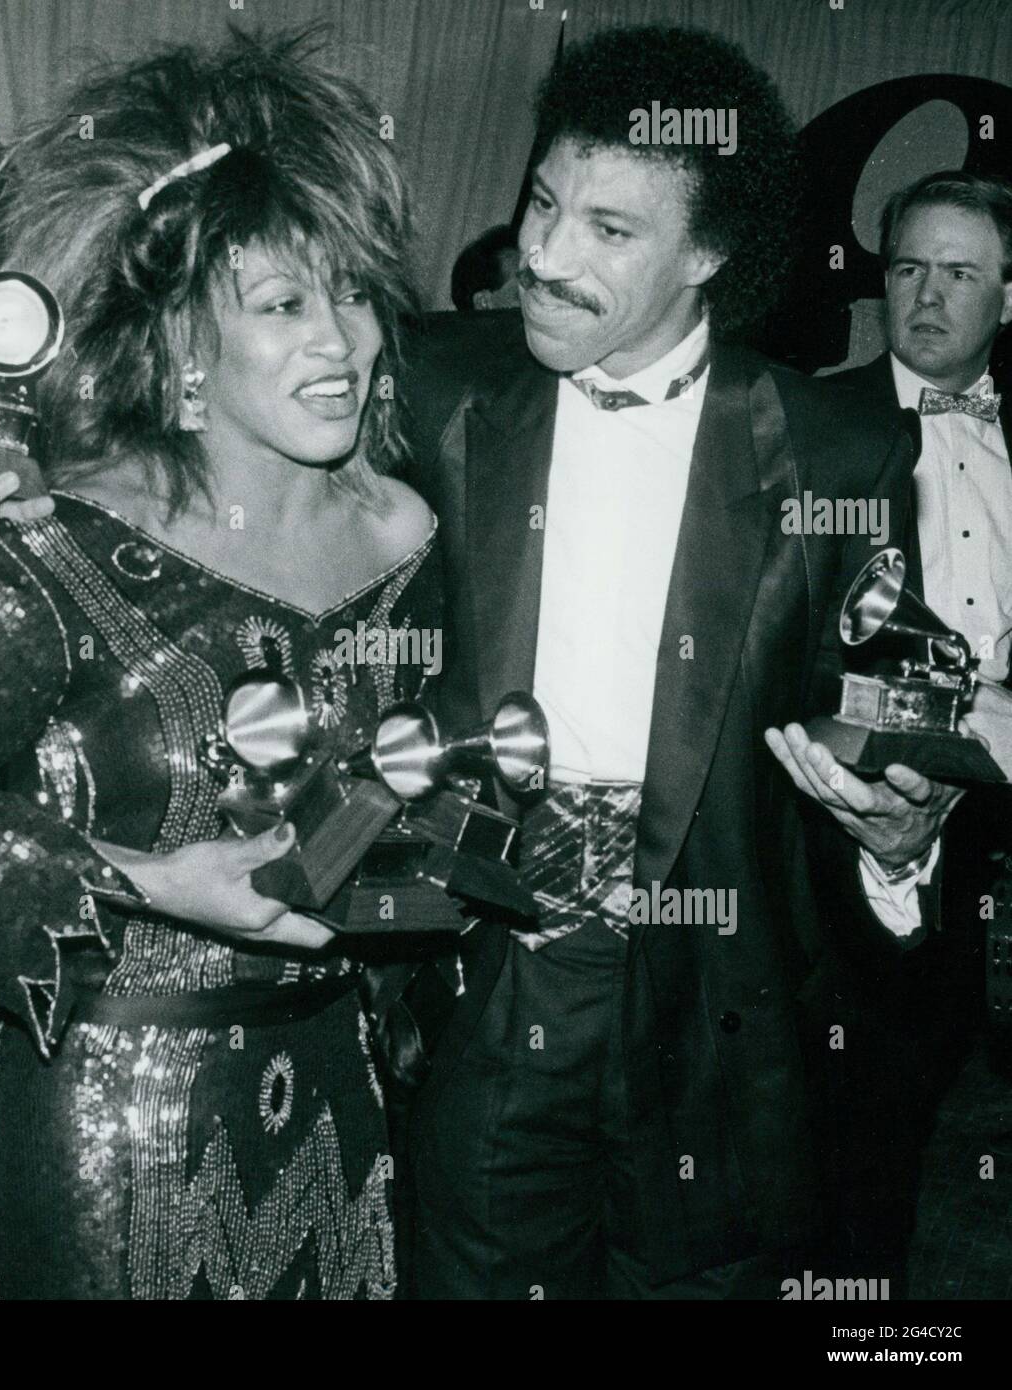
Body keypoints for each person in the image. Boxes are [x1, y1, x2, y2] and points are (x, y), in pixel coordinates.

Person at [0, 31, 440, 1300]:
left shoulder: (409, 533)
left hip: (339, 1100)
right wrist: (149, 879)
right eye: (284, 304)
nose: (340, 340)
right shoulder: (65, 545)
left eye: (352, 291)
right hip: (120, 1110)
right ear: (186, 342)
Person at [399, 25, 958, 1299]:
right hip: (496, 976)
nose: (539, 254)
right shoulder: (428, 391)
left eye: (607, 228)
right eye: (541, 201)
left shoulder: (835, 454)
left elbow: (879, 719)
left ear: (708, 253)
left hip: (726, 1010)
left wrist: (900, 837)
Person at [814, 171, 1012, 1282]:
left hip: (998, 836)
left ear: (1005, 296)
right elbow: (781, 665)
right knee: (862, 1139)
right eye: (905, 269)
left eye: (958, 272)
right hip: (869, 828)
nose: (925, 296)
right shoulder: (806, 422)